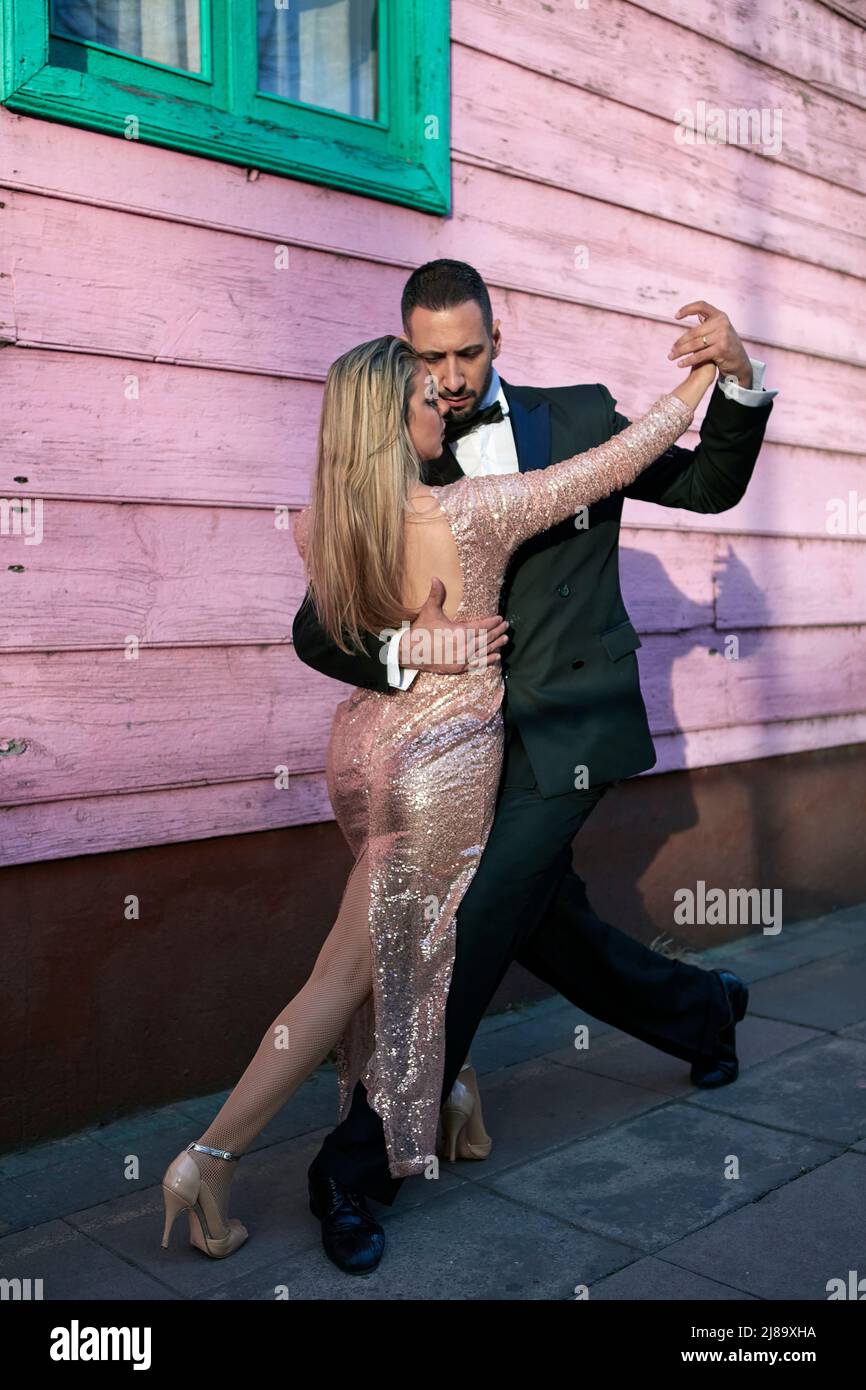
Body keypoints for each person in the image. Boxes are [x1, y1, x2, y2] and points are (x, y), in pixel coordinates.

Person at [159, 332, 714, 1264]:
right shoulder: (477, 510)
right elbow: (621, 457)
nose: (443, 405)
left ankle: (452, 1105)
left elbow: (328, 631)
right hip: (438, 761)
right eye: (425, 396)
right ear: (392, 418)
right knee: (352, 973)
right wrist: (706, 375)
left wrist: (409, 645)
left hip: (359, 753)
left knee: (417, 942)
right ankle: (212, 1156)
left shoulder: (325, 524)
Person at [294, 260, 778, 1274]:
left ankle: (353, 1167)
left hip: (566, 730)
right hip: (446, 744)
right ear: (406, 352)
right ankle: (702, 1011)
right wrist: (411, 652)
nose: (451, 375)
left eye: (467, 351)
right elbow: (320, 624)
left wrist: (730, 379)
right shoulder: (396, 448)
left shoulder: (578, 416)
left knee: (464, 928)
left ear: (496, 336)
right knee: (543, 925)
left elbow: (701, 481)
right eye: (428, 358)